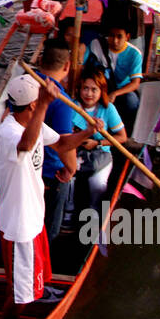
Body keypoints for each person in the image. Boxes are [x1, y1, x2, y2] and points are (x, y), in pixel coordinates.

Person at [0, 74, 60, 309]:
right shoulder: (7, 133)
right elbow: (25, 145)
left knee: (33, 277)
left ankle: (38, 289)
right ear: (33, 104)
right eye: (38, 102)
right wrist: (44, 105)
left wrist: (89, 133)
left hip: (34, 217)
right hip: (19, 226)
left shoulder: (34, 125)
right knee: (19, 290)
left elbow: (61, 143)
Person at [32, 41, 101, 237]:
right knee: (49, 229)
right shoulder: (62, 102)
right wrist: (70, 169)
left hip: (24, 165)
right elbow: (64, 145)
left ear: (40, 60)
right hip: (50, 172)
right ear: (67, 67)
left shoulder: (25, 83)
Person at [71, 69, 126, 215]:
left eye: (94, 89)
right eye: (85, 89)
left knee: (98, 184)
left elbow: (122, 137)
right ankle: (68, 212)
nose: (89, 94)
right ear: (79, 89)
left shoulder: (108, 109)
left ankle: (94, 210)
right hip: (74, 152)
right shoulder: (71, 106)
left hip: (100, 155)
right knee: (68, 180)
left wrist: (97, 143)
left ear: (102, 91)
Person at [84, 23, 143, 134]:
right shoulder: (96, 45)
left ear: (127, 37)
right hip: (100, 87)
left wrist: (115, 93)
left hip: (122, 91)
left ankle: (126, 132)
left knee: (132, 101)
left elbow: (135, 83)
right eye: (111, 36)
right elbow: (81, 63)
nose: (115, 40)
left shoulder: (135, 54)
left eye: (119, 36)